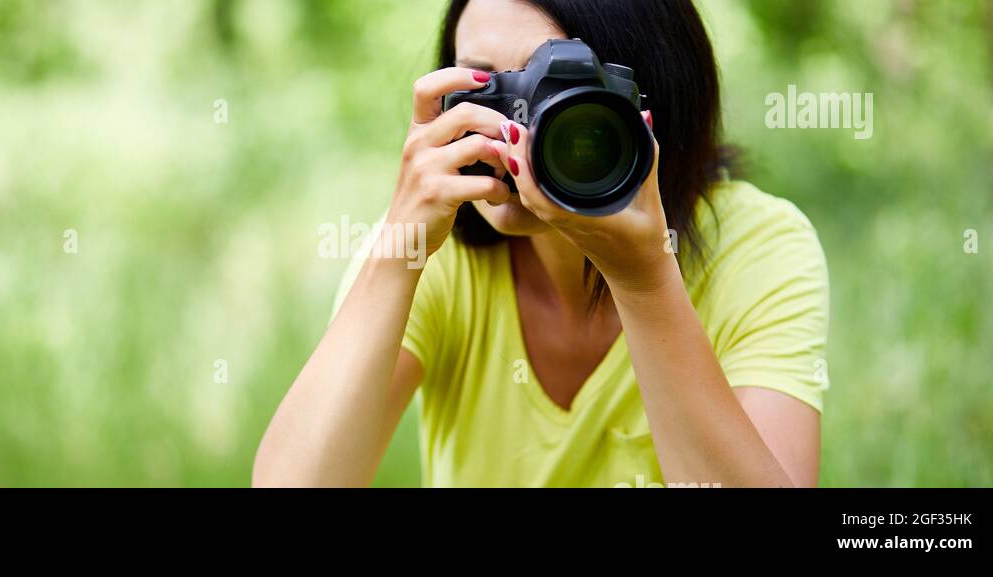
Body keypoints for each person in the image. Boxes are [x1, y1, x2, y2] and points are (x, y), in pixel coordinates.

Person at [255, 0, 829, 487]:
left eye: (556, 91)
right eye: (486, 90)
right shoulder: (432, 246)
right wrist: (397, 248)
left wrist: (645, 281)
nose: (514, 134)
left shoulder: (757, 247)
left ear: (642, 105)